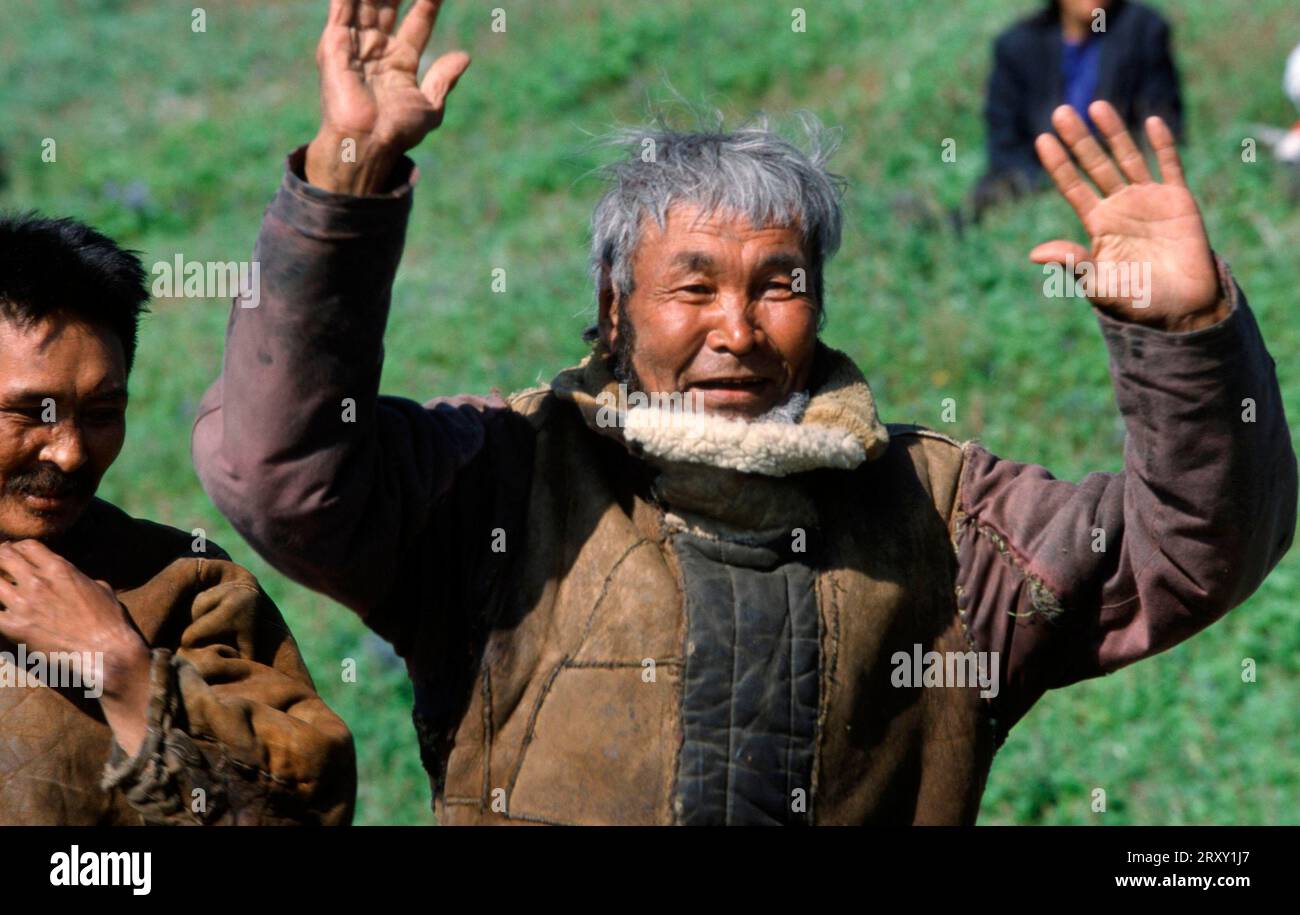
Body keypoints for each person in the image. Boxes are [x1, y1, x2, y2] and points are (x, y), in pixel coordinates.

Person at [192, 0, 1295, 825]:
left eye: (778, 284)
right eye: (693, 286)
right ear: (614, 308)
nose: (737, 325)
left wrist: (1187, 338)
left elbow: (1191, 553)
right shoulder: (505, 473)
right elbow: (279, 470)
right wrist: (344, 187)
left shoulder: (949, 516)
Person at [0, 213, 356, 825]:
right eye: (33, 413)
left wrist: (126, 675)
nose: (72, 452)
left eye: (103, 412)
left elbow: (304, 808)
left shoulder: (189, 594)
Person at [972, 0, 1184, 220]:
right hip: (1039, 178)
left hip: (1116, 174)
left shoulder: (1140, 28)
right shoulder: (1018, 45)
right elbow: (1004, 142)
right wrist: (1048, 182)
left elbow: (1161, 119)